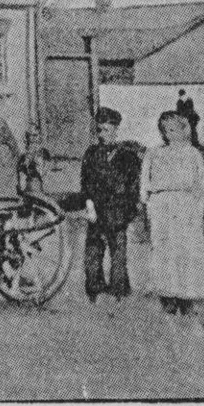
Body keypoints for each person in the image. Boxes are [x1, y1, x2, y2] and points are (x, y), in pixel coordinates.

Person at [140, 110, 204, 315]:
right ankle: (167, 297)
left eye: (174, 129)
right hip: (162, 205)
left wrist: (197, 207)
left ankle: (186, 298)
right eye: (165, 130)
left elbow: (202, 183)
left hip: (185, 206)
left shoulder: (193, 154)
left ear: (183, 130)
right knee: (164, 251)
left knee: (186, 251)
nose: (169, 133)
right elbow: (145, 181)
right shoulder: (154, 153)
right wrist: (148, 203)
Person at [79, 107, 142, 303]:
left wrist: (130, 210)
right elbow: (86, 181)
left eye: (106, 130)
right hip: (97, 210)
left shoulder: (128, 156)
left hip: (118, 211)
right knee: (93, 251)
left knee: (118, 252)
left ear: (116, 130)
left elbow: (133, 185)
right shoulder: (91, 153)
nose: (102, 135)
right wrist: (89, 204)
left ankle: (119, 291)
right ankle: (94, 290)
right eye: (99, 130)